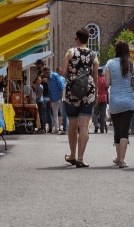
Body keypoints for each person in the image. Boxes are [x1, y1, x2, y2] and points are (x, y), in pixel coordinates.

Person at [63, 28, 98, 168]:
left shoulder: (70, 52)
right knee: (84, 126)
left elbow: (63, 71)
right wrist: (95, 94)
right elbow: (95, 76)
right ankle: (81, 158)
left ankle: (72, 155)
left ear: (77, 38)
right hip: (88, 90)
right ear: (87, 40)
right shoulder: (93, 55)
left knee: (72, 124)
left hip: (72, 91)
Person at [105, 40, 134, 168]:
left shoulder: (109, 63)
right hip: (128, 101)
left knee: (117, 130)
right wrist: (133, 87)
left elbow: (106, 83)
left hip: (115, 100)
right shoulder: (131, 64)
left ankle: (118, 157)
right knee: (125, 130)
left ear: (116, 50)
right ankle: (122, 159)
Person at [48, 66, 67, 135]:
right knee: (55, 114)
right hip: (54, 99)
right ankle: (56, 129)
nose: (60, 72)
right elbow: (50, 90)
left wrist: (62, 97)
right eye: (59, 71)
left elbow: (61, 88)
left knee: (63, 113)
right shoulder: (49, 79)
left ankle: (66, 128)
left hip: (60, 98)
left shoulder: (59, 78)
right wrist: (50, 99)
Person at [94, 68, 109, 133]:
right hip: (104, 98)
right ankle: (102, 129)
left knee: (95, 113)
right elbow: (107, 89)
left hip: (97, 97)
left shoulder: (96, 80)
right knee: (102, 114)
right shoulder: (104, 79)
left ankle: (96, 124)